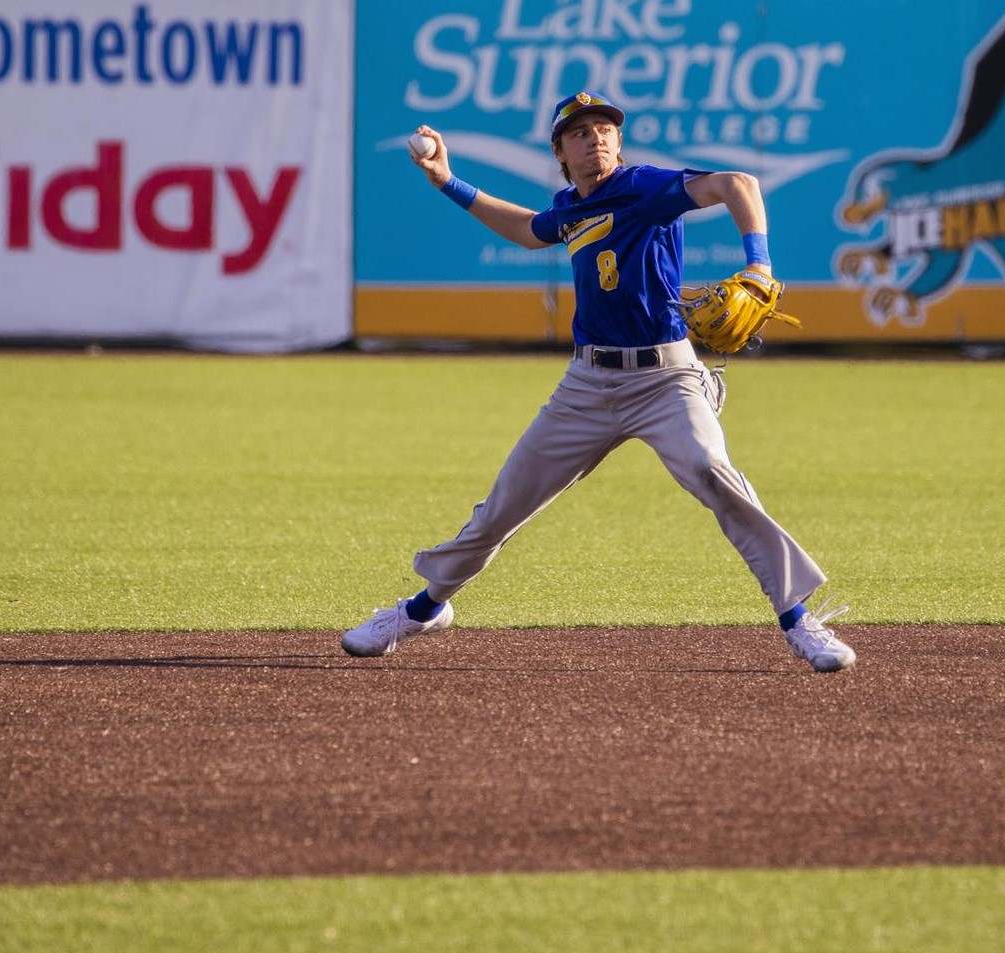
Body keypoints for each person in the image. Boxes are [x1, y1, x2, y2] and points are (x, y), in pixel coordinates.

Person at [340, 92, 854, 672]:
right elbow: (529, 230)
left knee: (716, 474)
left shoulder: (646, 188)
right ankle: (424, 608)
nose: (597, 139)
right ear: (560, 150)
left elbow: (739, 184)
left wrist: (759, 265)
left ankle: (798, 618)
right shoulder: (569, 208)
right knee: (504, 505)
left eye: (606, 128)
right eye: (580, 132)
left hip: (666, 379)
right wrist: (447, 181)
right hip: (587, 385)